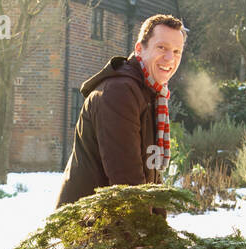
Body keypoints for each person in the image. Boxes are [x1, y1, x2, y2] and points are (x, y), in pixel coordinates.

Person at [53, 13, 187, 210]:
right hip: (91, 222)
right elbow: (126, 181)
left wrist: (159, 224)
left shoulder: (152, 94)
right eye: (162, 47)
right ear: (139, 49)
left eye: (176, 51)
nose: (170, 58)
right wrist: (146, 226)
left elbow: (152, 180)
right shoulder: (119, 92)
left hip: (118, 219)